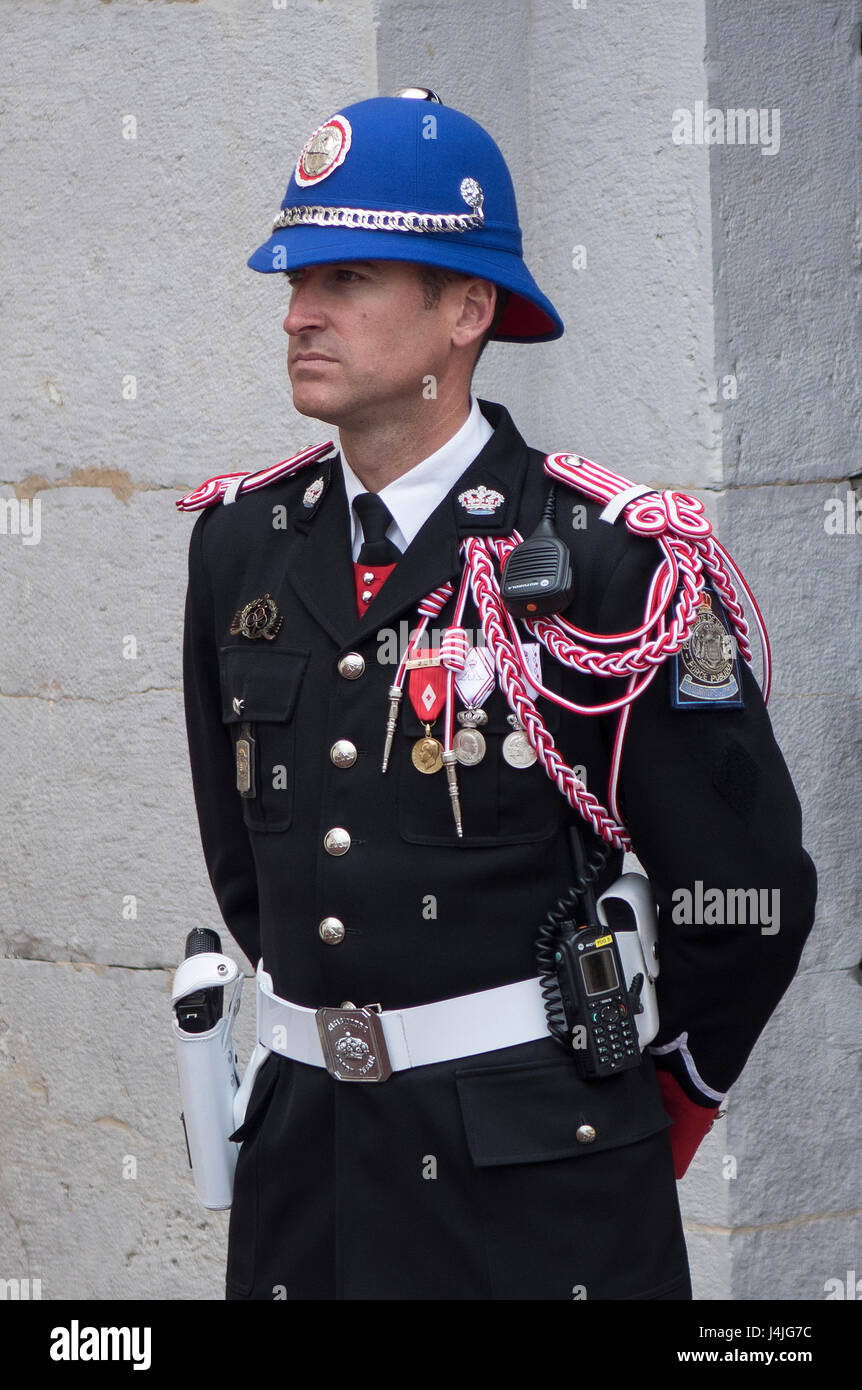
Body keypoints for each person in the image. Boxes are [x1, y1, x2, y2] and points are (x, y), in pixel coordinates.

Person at [178, 91, 817, 1301]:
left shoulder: (610, 560)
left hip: (539, 1198)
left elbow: (749, 892)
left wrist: (643, 1097)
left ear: (466, 310)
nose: (298, 312)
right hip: (302, 1180)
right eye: (295, 277)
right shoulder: (242, 545)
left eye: (349, 276)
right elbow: (250, 868)